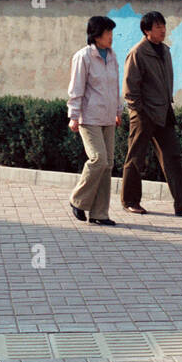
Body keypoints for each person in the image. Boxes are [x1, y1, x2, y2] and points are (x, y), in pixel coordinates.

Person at [120, 11, 182, 216]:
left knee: (172, 156)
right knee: (136, 158)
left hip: (164, 111)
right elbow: (130, 89)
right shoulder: (138, 53)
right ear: (147, 30)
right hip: (144, 114)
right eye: (158, 27)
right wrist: (139, 110)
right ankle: (130, 201)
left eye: (164, 26)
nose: (163, 30)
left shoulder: (165, 51)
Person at [66, 15, 122, 226]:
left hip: (108, 117)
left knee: (108, 165)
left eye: (112, 33)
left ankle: (100, 213)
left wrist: (118, 111)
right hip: (88, 117)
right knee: (98, 159)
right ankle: (77, 199)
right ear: (96, 34)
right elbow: (76, 88)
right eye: (108, 32)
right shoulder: (83, 57)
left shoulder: (113, 56)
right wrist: (73, 116)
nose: (111, 37)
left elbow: (115, 87)